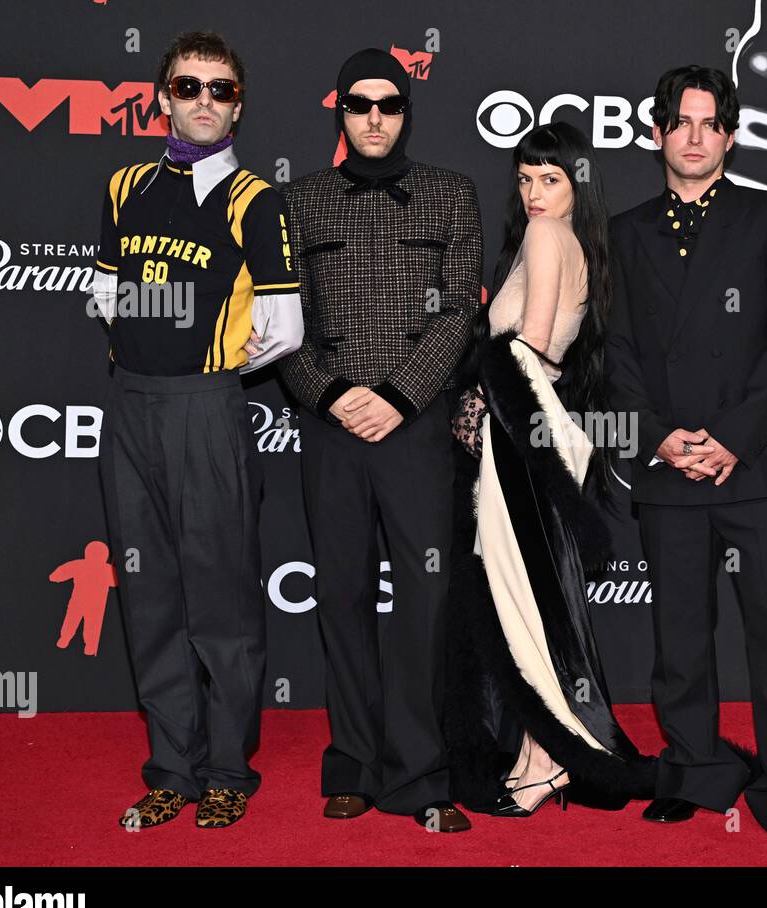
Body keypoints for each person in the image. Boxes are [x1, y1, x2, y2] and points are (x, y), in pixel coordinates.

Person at [604, 65, 767, 850]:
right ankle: (693, 771)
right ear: (659, 133)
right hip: (668, 466)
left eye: (709, 124)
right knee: (681, 637)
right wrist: (659, 434)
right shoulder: (627, 231)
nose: (695, 137)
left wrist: (732, 439)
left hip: (757, 464)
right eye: (681, 123)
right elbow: (621, 350)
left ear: (729, 136)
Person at [93, 31, 304, 829]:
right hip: (131, 404)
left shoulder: (256, 199)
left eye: (220, 90)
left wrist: (211, 357)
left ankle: (225, 767)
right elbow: (105, 295)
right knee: (149, 596)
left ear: (238, 105)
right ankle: (169, 768)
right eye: (189, 87)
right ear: (162, 97)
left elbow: (284, 325)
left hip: (206, 407)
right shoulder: (122, 188)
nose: (204, 101)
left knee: (219, 599)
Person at [278, 48, 482, 833]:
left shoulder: (449, 193)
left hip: (417, 427)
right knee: (343, 597)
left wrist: (398, 396)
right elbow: (280, 319)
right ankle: (355, 768)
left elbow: (458, 312)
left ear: (404, 112)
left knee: (425, 603)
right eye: (359, 104)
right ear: (341, 113)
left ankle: (421, 773)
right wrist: (332, 394)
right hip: (331, 428)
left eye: (388, 104)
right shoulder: (298, 201)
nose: (373, 117)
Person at [444, 122, 655, 816]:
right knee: (540, 601)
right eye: (525, 179)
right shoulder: (578, 245)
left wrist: (478, 400)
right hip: (545, 429)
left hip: (521, 435)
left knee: (523, 603)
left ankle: (546, 760)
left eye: (550, 179)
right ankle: (548, 752)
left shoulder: (542, 239)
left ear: (577, 184)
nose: (534, 194)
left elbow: (524, 353)